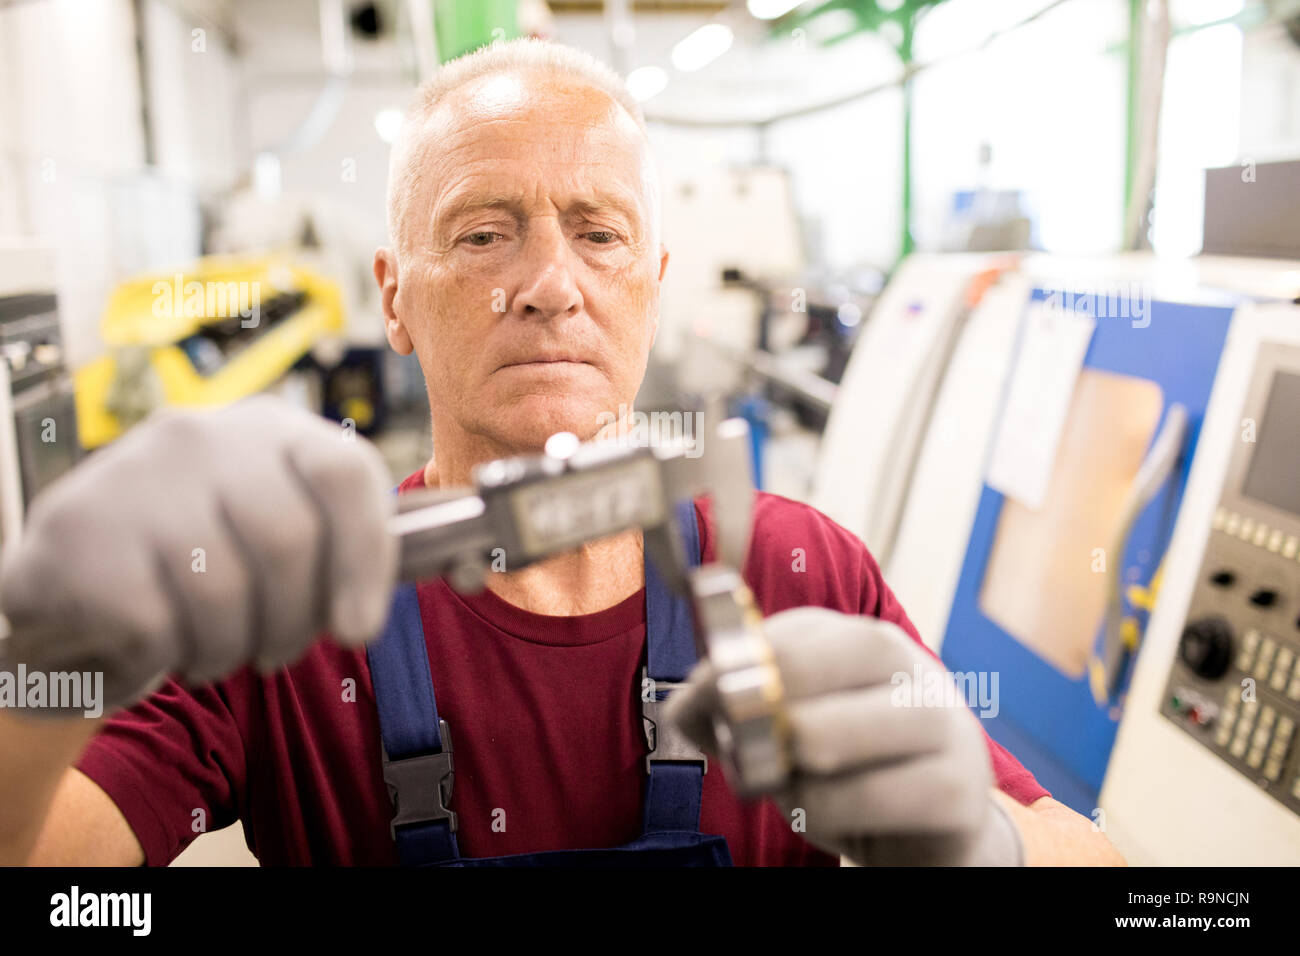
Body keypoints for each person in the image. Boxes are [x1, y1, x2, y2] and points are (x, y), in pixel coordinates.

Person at [0, 39, 1123, 867]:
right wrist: (46, 662)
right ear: (393, 298)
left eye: (598, 234)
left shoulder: (794, 570)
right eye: (484, 234)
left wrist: (991, 849)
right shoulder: (285, 612)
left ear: (652, 280)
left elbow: (1106, 867)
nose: (549, 283)